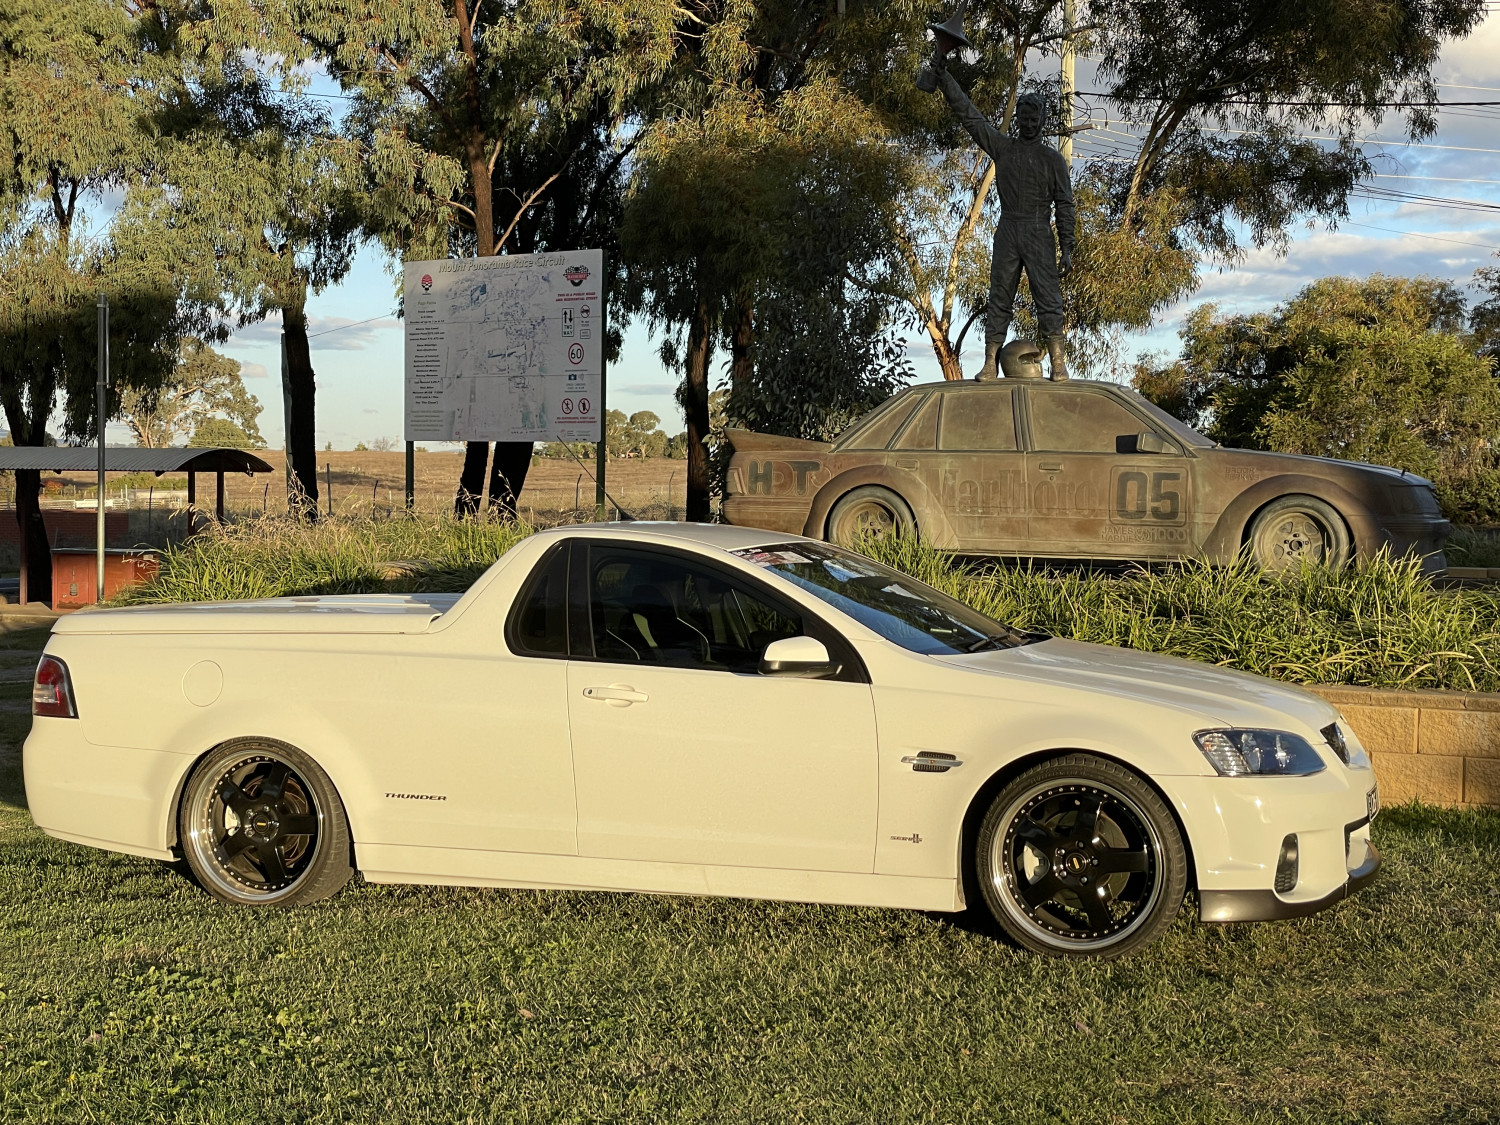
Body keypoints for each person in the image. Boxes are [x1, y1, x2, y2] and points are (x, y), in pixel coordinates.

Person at [930, 66, 1075, 381]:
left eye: (1035, 119)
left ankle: (1059, 363)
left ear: (1043, 120)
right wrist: (945, 78)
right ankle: (989, 363)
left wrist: (1068, 248)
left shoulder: (1053, 160)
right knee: (999, 297)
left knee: (1048, 298)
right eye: (1024, 119)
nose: (1029, 124)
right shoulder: (1003, 148)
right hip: (1008, 229)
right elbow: (971, 118)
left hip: (1039, 229)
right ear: (1019, 120)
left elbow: (1065, 205)